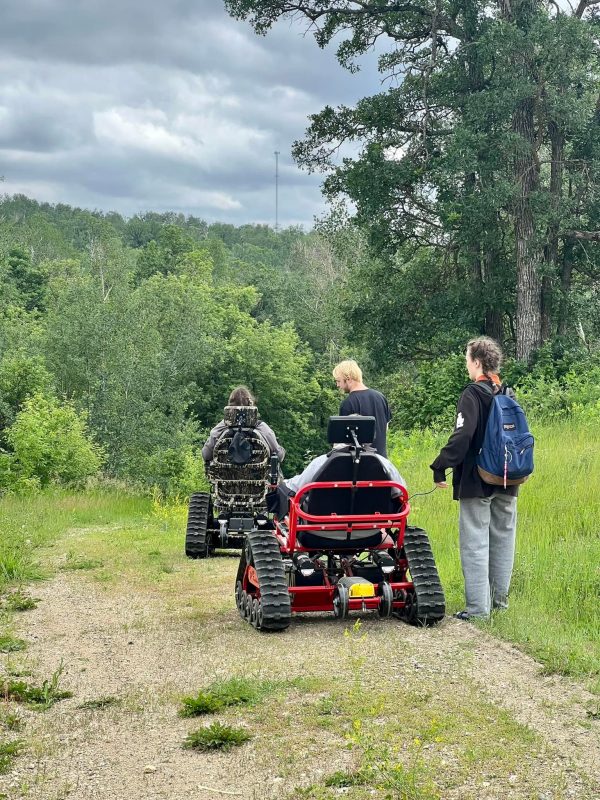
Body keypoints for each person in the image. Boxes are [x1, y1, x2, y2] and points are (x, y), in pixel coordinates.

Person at [430, 337, 518, 621]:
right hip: (508, 477)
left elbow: (463, 436)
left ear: (477, 362)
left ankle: (478, 611)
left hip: (477, 479)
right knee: (503, 540)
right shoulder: (507, 392)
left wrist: (440, 465)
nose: (466, 365)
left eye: (467, 359)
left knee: (475, 542)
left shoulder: (473, 393)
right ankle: (498, 606)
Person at [202, 386, 285, 463]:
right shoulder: (262, 428)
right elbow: (279, 456)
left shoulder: (220, 428)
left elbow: (206, 455)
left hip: (224, 477)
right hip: (258, 478)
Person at [333, 360, 391, 456]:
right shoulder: (380, 397)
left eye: (338, 381)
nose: (338, 385)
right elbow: (385, 429)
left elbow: (343, 444)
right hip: (381, 463)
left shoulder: (348, 404)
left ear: (348, 378)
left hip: (360, 466)